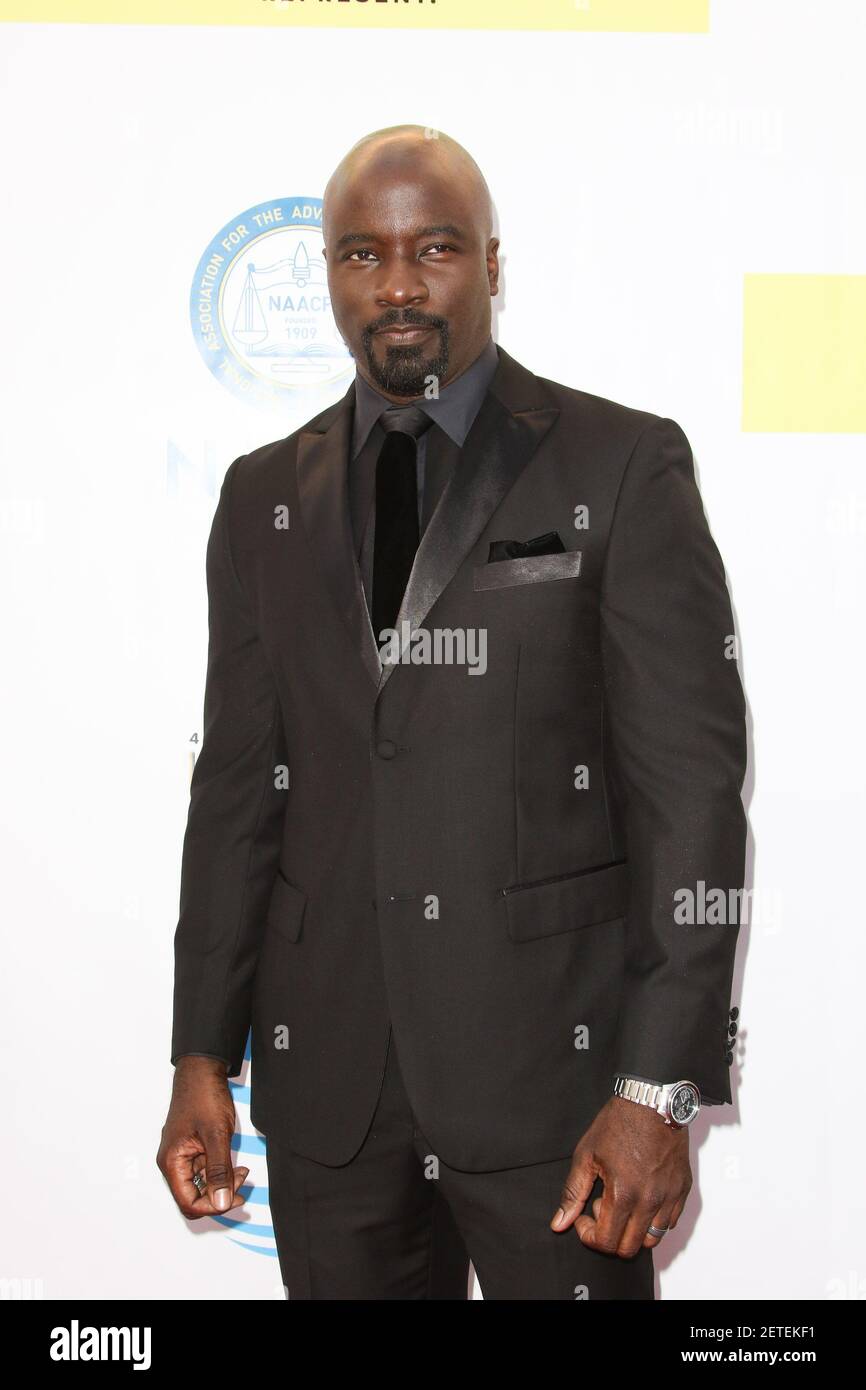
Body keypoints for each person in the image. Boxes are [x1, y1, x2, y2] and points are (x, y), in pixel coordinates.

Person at [157, 125, 748, 1300]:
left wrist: (653, 1091)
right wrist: (199, 1053)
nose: (397, 284)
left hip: (556, 1090)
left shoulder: (620, 465)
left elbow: (689, 792)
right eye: (360, 254)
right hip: (330, 1092)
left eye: (432, 247)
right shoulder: (263, 495)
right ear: (328, 273)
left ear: (489, 261)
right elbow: (236, 793)